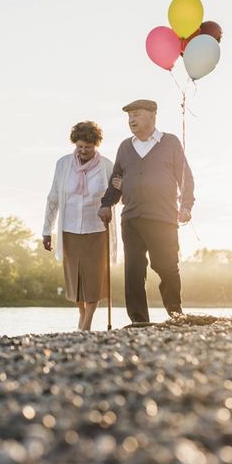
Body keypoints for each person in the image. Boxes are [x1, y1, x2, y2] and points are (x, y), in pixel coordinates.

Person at [98, 99, 194, 324]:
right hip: (131, 217)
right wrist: (106, 204)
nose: (131, 119)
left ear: (152, 115)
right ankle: (139, 321)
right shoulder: (125, 146)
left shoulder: (169, 142)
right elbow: (115, 181)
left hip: (162, 218)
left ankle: (175, 314)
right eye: (129, 115)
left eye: (136, 114)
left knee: (167, 266)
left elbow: (186, 178)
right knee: (133, 271)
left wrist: (186, 205)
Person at [42, 121, 118, 331]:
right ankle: (82, 312)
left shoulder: (107, 166)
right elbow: (53, 198)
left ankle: (87, 323)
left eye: (88, 147)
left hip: (97, 228)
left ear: (96, 145)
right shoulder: (63, 164)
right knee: (74, 276)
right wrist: (46, 230)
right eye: (80, 146)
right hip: (70, 228)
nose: (83, 151)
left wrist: (109, 205)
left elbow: (115, 196)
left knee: (94, 276)